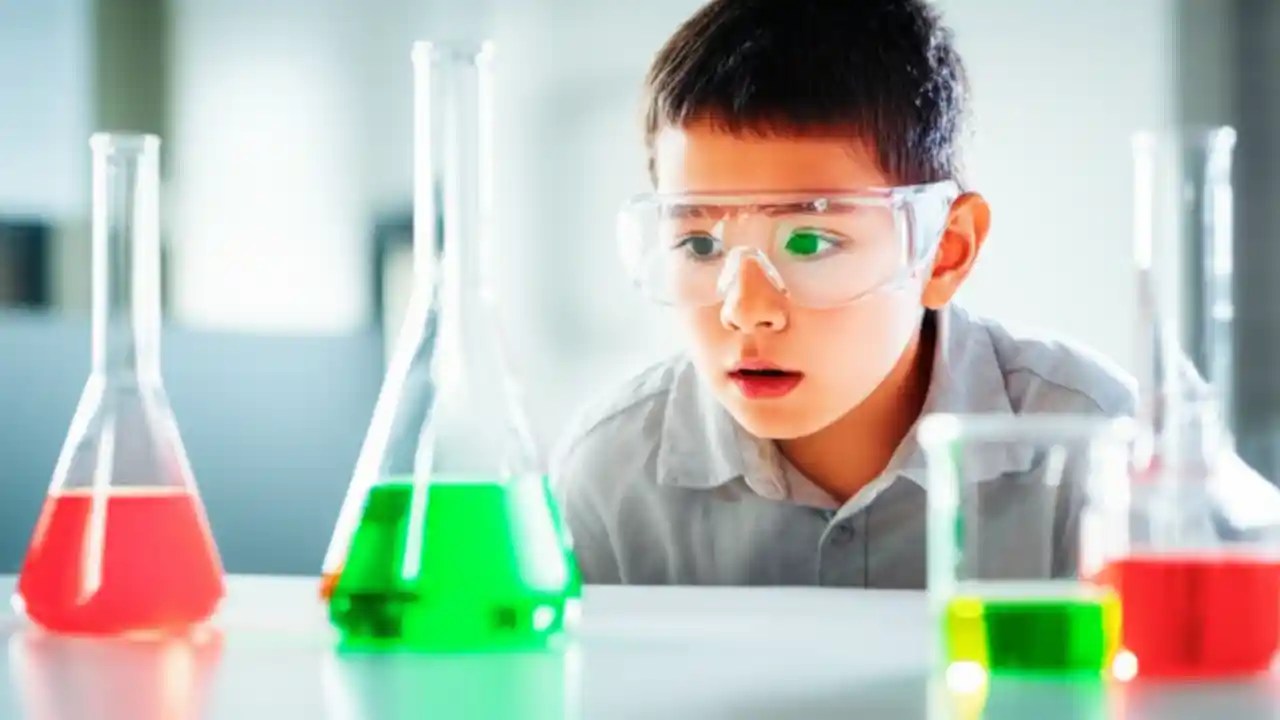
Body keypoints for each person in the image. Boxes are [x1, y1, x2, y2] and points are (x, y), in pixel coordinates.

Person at [553, 0, 1133, 587]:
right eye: (701, 246)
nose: (747, 310)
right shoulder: (612, 478)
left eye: (809, 242)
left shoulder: (1101, 453)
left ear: (945, 251)